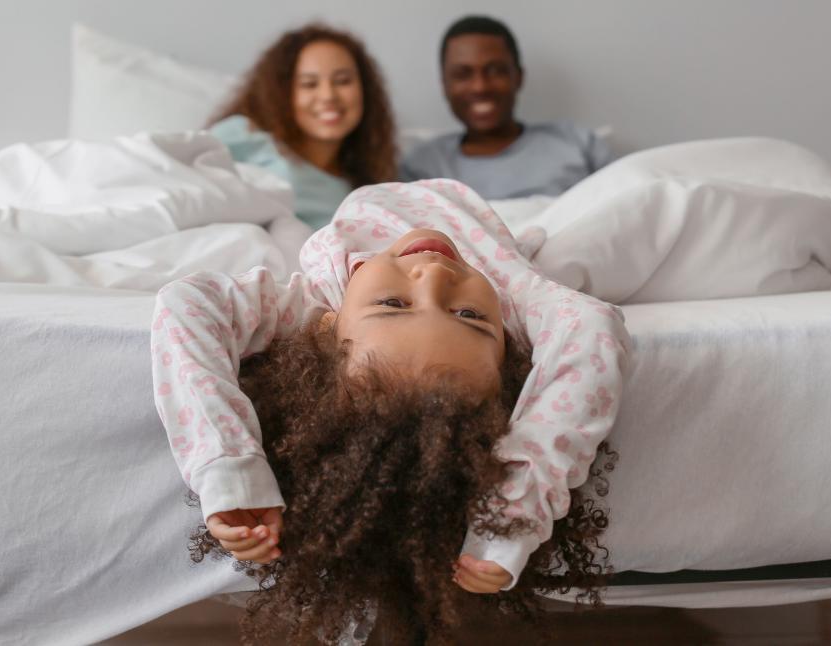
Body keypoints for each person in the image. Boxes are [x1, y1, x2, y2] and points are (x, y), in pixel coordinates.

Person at [151, 179, 629, 643]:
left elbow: (187, 302)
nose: (434, 276)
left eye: (392, 304)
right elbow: (592, 328)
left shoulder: (317, 302)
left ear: (328, 325)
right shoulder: (518, 299)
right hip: (478, 219)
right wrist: (515, 511)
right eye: (471, 317)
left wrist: (229, 465)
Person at [205, 24, 397, 231]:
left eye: (343, 81)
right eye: (309, 84)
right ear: (282, 93)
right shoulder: (245, 135)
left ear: (365, 90)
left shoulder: (367, 188)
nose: (328, 96)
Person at [401, 15, 610, 199]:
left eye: (495, 71)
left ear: (518, 77)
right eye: (463, 74)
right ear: (445, 86)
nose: (480, 87)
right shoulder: (422, 166)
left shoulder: (578, 143)